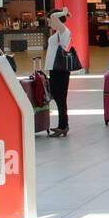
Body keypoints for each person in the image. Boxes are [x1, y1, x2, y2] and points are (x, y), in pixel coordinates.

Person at [45, 8, 74, 137]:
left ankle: (63, 126)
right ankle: (62, 125)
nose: (49, 22)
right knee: (58, 98)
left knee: (60, 98)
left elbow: (55, 18)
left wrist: (62, 13)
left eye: (50, 20)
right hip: (55, 69)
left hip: (60, 70)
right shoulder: (57, 33)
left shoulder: (64, 32)